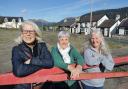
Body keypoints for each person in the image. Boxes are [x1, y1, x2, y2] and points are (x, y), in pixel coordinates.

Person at [11, 21, 54, 89]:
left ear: (36, 33)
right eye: (25, 31)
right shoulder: (17, 49)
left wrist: (32, 61)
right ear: (22, 34)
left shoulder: (42, 46)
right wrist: (42, 65)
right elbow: (19, 71)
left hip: (43, 85)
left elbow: (50, 62)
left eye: (31, 31)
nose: (28, 34)